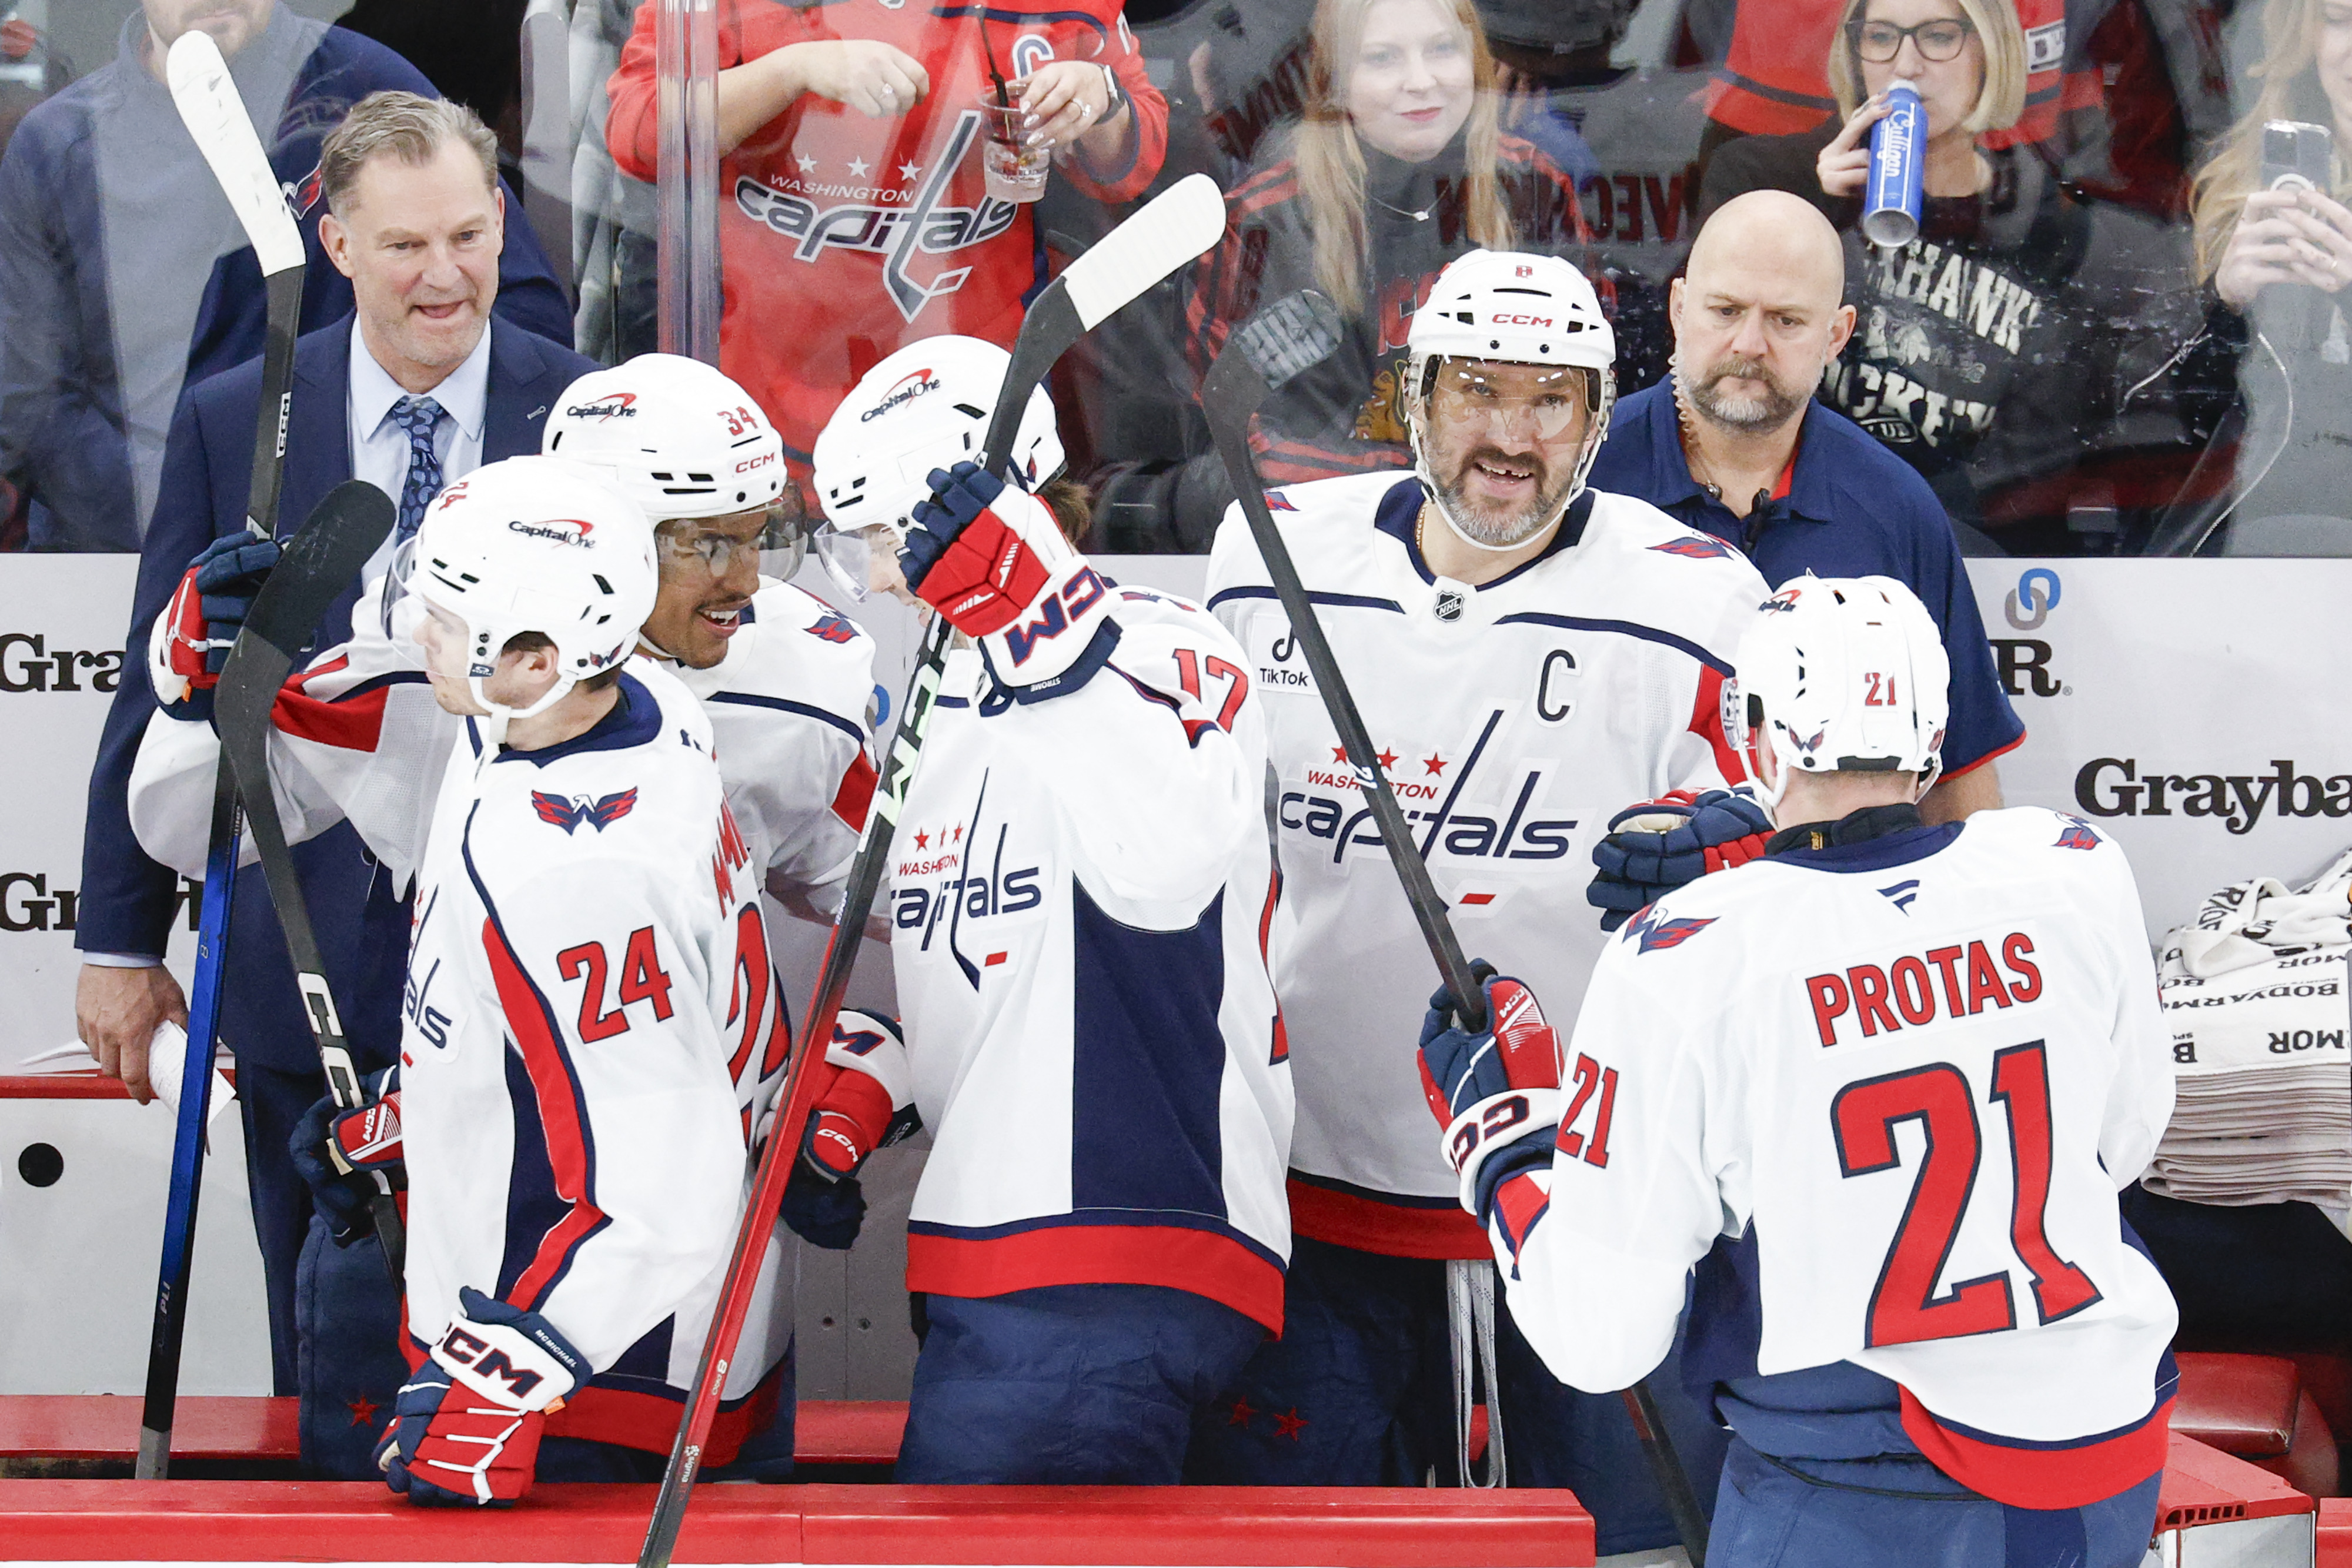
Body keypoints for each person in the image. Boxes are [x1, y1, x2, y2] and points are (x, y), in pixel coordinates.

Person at [1419, 575, 2177, 1566]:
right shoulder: (2071, 864)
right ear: (1934, 726)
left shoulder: (1685, 952)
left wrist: (1506, 1144)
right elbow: (2120, 1144)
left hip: (1861, 1484)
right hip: (2106, 1461)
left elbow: (1599, 1336)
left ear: (1760, 735)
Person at [1191, 249, 1766, 1554]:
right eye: (1476, 392)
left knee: (1633, 1547)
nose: (1509, 436)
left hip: (1587, 1200)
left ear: (1602, 412)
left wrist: (1719, 850)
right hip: (1312, 1189)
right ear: (1412, 397)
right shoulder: (1269, 555)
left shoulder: (1699, 600)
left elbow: (1789, 863)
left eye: (1551, 400)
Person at [75, 90, 597, 1460]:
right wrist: (120, 939)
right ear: (338, 240)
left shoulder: (579, 407)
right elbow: (162, 684)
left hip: (524, 953)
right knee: (332, 1346)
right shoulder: (238, 417)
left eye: (472, 237)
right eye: (408, 244)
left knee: (521, 1337)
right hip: (302, 942)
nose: (445, 277)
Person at [797, 338, 1292, 1484]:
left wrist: (1045, 619)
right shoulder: (945, 711)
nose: (876, 578)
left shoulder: (1153, 647)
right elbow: (997, 964)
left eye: (882, 538)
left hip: (1105, 1255)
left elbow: (1172, 854)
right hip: (1010, 1271)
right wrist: (878, 1077)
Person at [372, 456, 791, 1503]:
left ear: (536, 653)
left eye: (450, 614)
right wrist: (443, 1098)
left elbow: (661, 1179)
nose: (421, 628)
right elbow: (573, 1033)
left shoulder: (577, 867)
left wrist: (509, 1376)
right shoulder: (613, 700)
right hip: (575, 1326)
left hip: (591, 1378)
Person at [0, 0, 565, 553]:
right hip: (111, 563)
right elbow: (26, 400)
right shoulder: (60, 145)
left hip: (339, 552)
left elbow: (520, 314)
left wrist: (358, 469)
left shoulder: (363, 89)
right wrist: (193, 504)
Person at [1585, 189, 2022, 836]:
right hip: (1600, 893)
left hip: (1824, 912)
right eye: (1725, 310)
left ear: (1836, 335)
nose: (1749, 343)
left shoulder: (1893, 508)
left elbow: (1958, 776)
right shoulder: (1585, 477)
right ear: (1678, 308)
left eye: (1786, 320)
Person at [603, 0, 1167, 485]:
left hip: (973, 399)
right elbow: (640, 133)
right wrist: (793, 70)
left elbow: (1130, 167)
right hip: (765, 407)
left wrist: (1100, 98)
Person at [1124, 0, 1592, 552]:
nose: (1421, 82)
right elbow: (1245, 443)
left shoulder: (1533, 187)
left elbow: (1584, 395)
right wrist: (1454, 482)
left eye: (1442, 50)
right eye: (1383, 59)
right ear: (1337, 81)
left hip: (1505, 536)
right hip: (1317, 548)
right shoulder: (1264, 221)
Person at [1697, 0, 2171, 541]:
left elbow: (2045, 457)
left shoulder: (2049, 228)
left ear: (1989, 54)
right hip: (1790, 538)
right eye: (1880, 37)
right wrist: (1816, 208)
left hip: (1970, 553)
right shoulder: (1770, 179)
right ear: (1855, 56)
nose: (1906, 66)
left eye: (1939, 37)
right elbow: (1714, 373)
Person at [2164, 0, 2352, 553]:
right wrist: (2224, 307)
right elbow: (2169, 422)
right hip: (2247, 530)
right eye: (2339, 20)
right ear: (2306, 39)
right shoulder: (2238, 189)